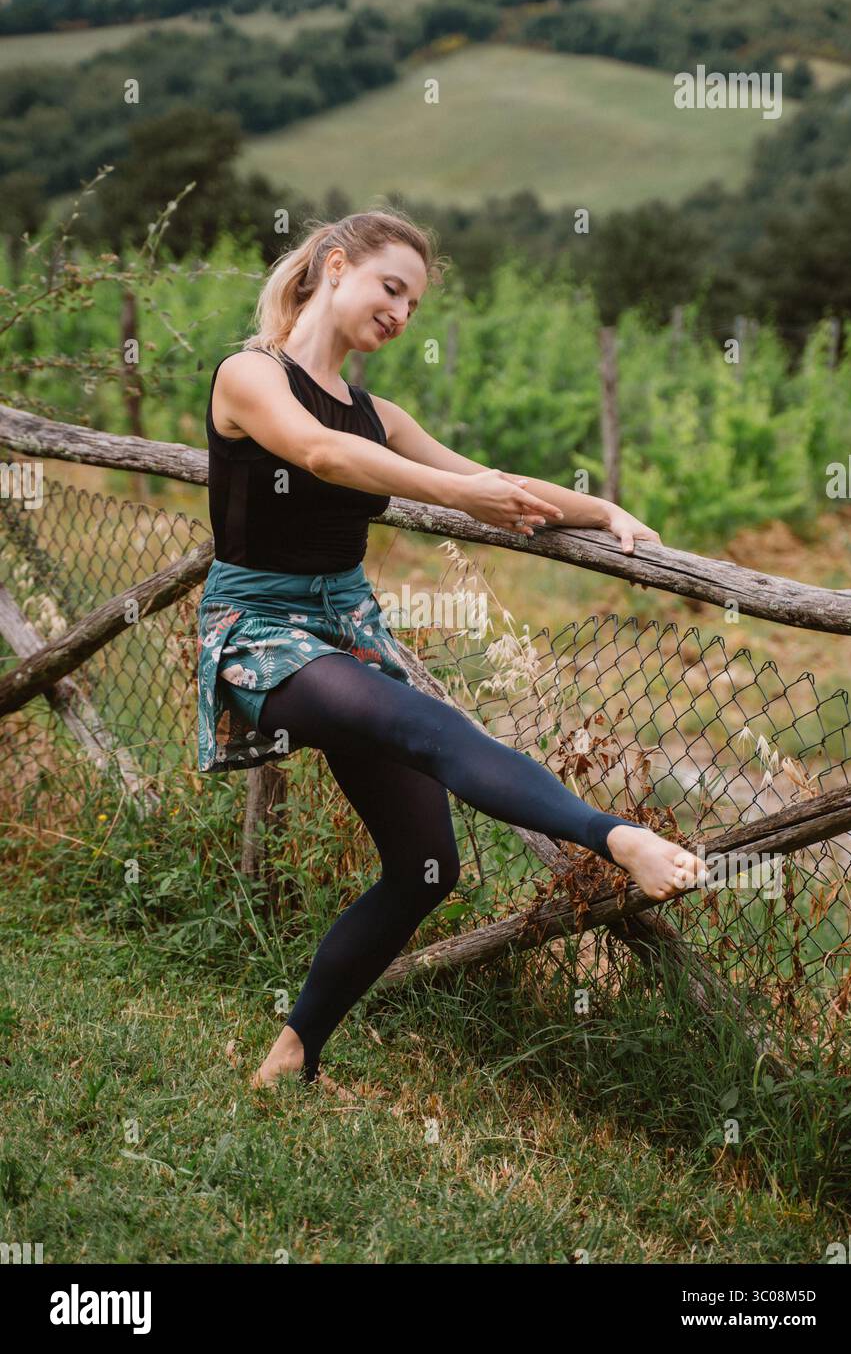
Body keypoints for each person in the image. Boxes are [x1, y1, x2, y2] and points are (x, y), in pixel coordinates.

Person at [195, 208, 707, 1095]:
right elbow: (321, 454)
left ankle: (292, 1058)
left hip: (347, 631)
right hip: (262, 634)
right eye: (392, 288)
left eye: (415, 305)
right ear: (336, 265)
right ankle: (616, 835)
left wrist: (600, 511)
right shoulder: (249, 376)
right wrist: (455, 491)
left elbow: (485, 482)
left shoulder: (377, 412)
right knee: (432, 727)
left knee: (426, 867)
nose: (401, 313)